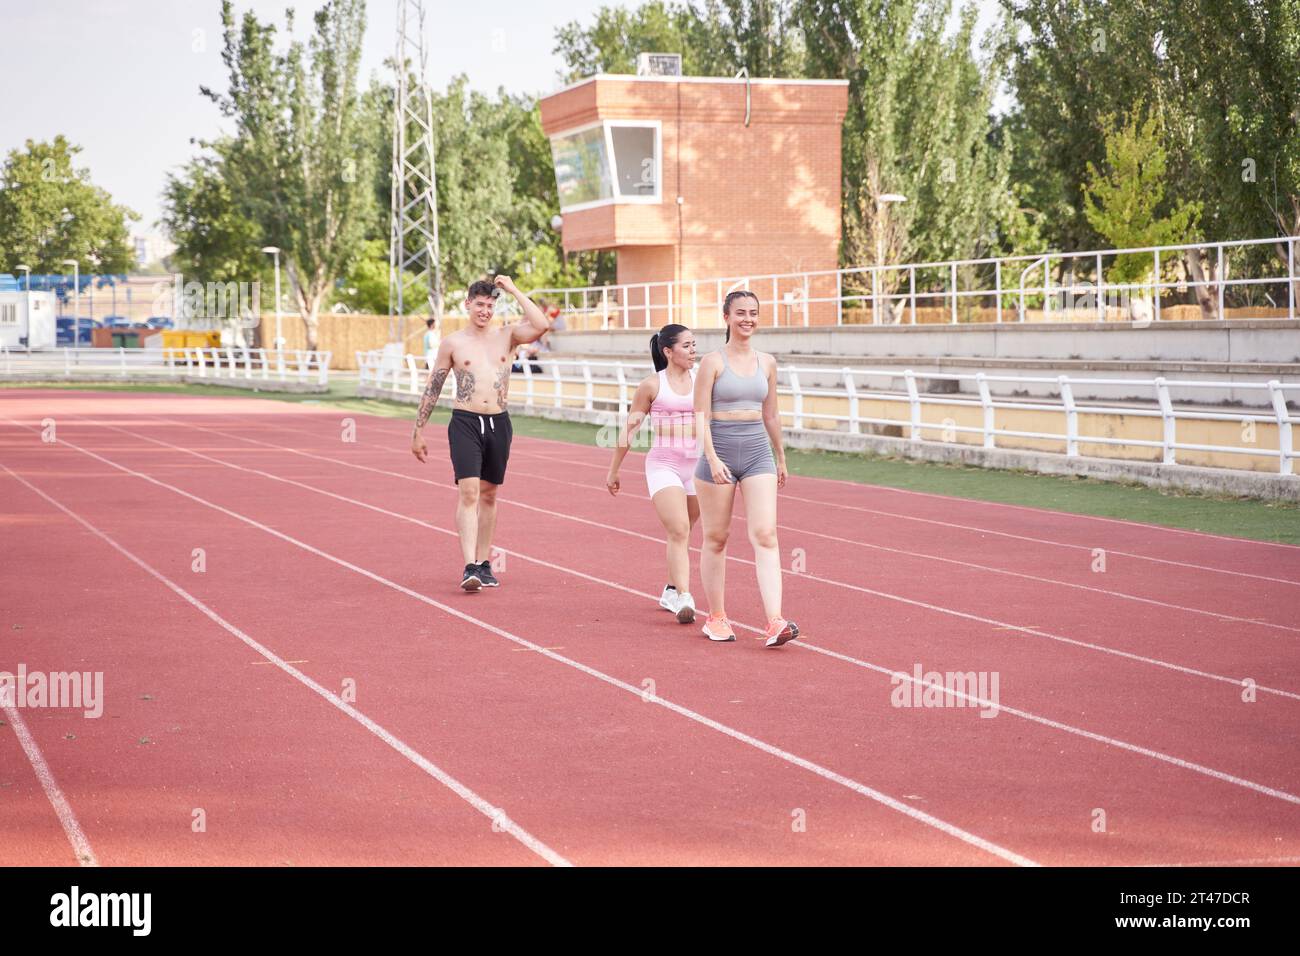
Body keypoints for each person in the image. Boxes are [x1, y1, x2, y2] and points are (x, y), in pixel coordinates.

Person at [411, 276, 551, 590]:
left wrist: (514, 289)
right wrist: (418, 430)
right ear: (468, 305)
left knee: (489, 495)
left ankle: (485, 562)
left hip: (499, 422)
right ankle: (469, 565)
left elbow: (541, 325)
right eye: (479, 304)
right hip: (465, 421)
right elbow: (433, 387)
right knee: (469, 491)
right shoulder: (453, 343)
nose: (485, 311)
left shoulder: (509, 335)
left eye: (490, 305)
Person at [692, 291, 799, 647]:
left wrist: (780, 455)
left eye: (753, 313)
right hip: (718, 450)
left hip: (757, 452)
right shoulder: (711, 362)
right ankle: (717, 617)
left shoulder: (767, 362)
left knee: (766, 534)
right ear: (726, 317)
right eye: (740, 313)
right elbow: (700, 417)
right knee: (717, 538)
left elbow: (771, 413)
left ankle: (775, 621)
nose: (747, 319)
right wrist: (712, 457)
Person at [606, 324, 701, 623]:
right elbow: (630, 428)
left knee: (685, 532)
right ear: (668, 351)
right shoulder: (652, 385)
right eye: (686, 345)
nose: (693, 350)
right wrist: (614, 470)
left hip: (697, 467)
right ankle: (684, 596)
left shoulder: (703, 381)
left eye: (694, 344)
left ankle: (671, 588)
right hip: (665, 465)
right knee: (679, 529)